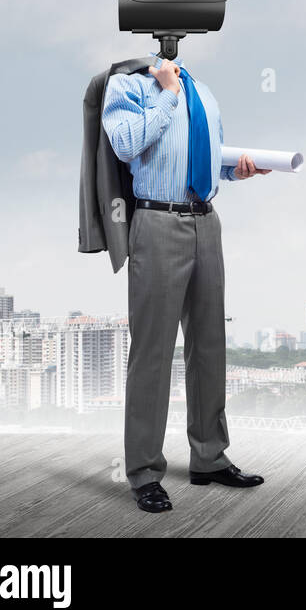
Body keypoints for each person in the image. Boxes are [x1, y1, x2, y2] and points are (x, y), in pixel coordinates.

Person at [101, 53, 268, 513]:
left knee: (210, 347)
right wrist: (168, 92)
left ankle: (209, 457)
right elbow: (125, 144)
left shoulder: (205, 92)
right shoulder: (129, 87)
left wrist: (237, 169)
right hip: (156, 222)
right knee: (153, 352)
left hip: (206, 223)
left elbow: (203, 158)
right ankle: (144, 473)